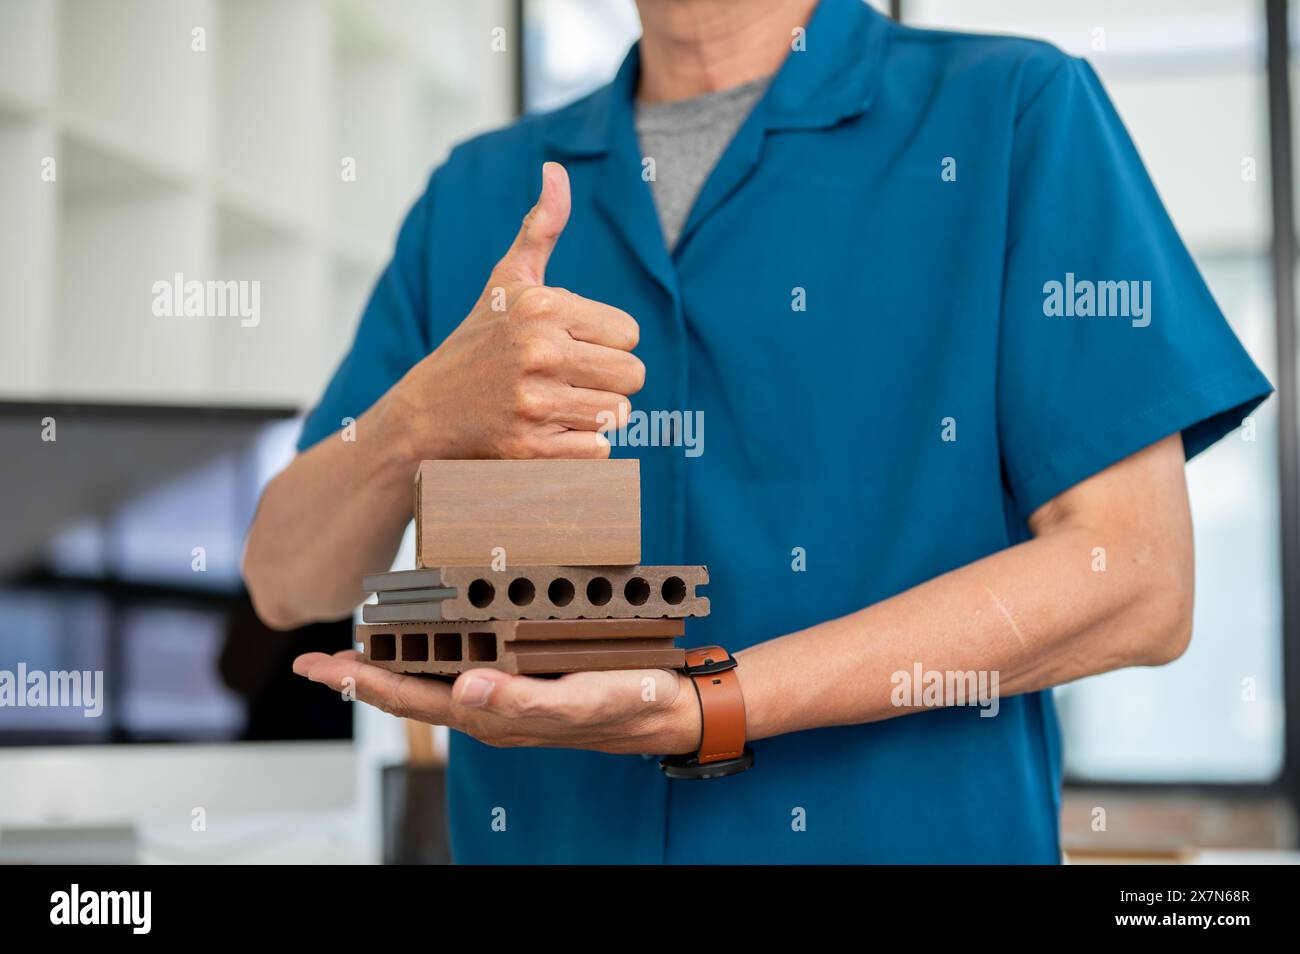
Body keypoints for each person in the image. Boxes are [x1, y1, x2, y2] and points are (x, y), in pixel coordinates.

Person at [242, 0, 1272, 863]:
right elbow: (289, 580)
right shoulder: (476, 192)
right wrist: (418, 418)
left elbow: (1135, 577)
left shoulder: (1012, 113)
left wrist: (712, 704)